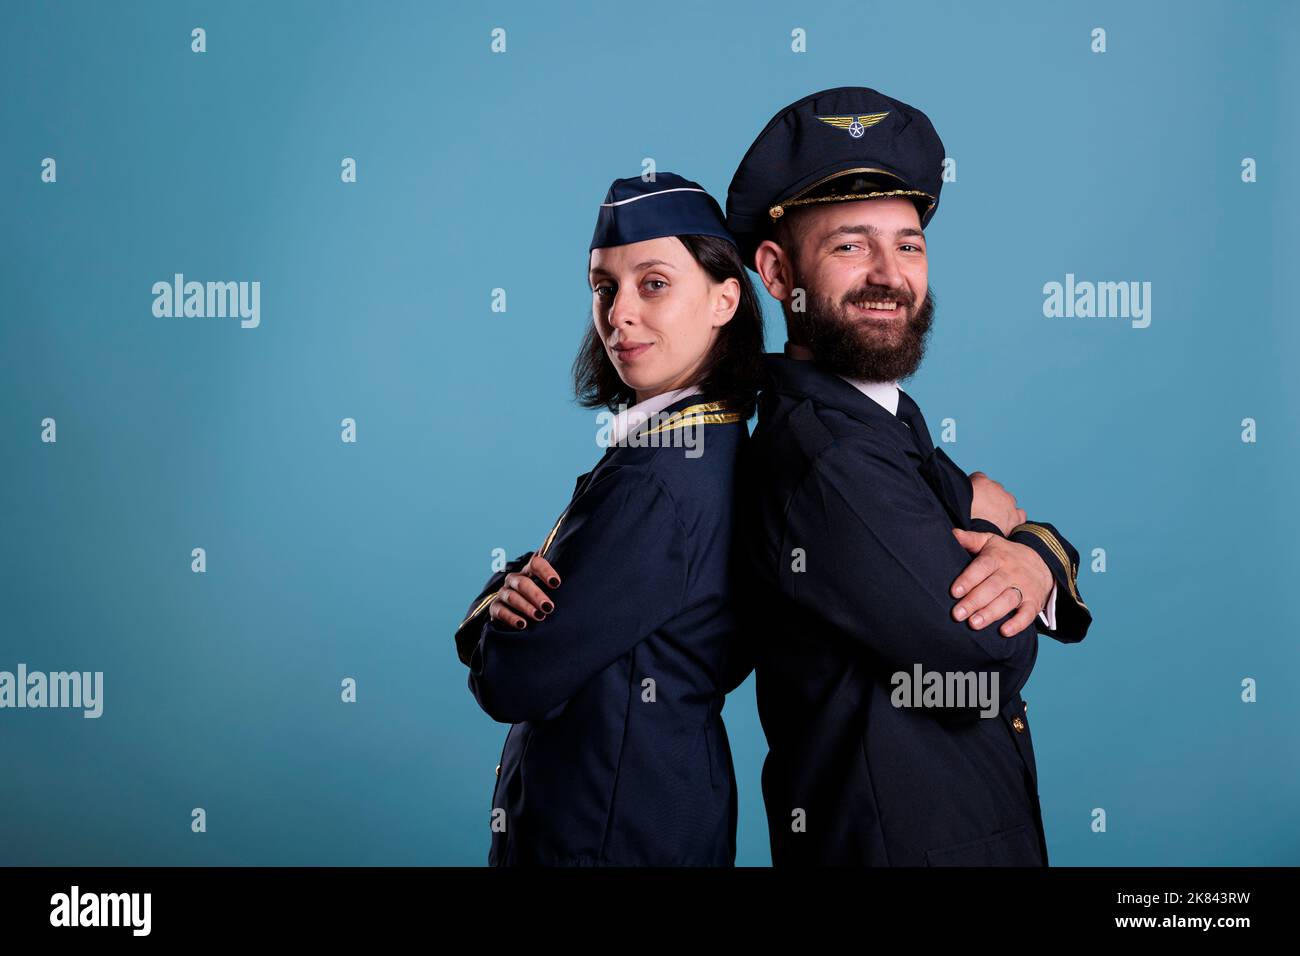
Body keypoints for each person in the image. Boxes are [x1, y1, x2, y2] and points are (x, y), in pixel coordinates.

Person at [725, 87, 1093, 866]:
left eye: (910, 244)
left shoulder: (882, 419)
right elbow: (985, 661)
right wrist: (1010, 535)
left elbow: (1009, 543)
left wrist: (1033, 549)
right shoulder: (829, 456)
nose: (890, 275)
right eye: (850, 246)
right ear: (776, 270)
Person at [452, 172, 765, 866]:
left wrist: (493, 610)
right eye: (604, 287)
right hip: (660, 812)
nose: (619, 313)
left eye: (653, 283)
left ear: (724, 298)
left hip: (607, 833)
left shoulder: (658, 481)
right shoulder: (712, 444)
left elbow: (512, 680)